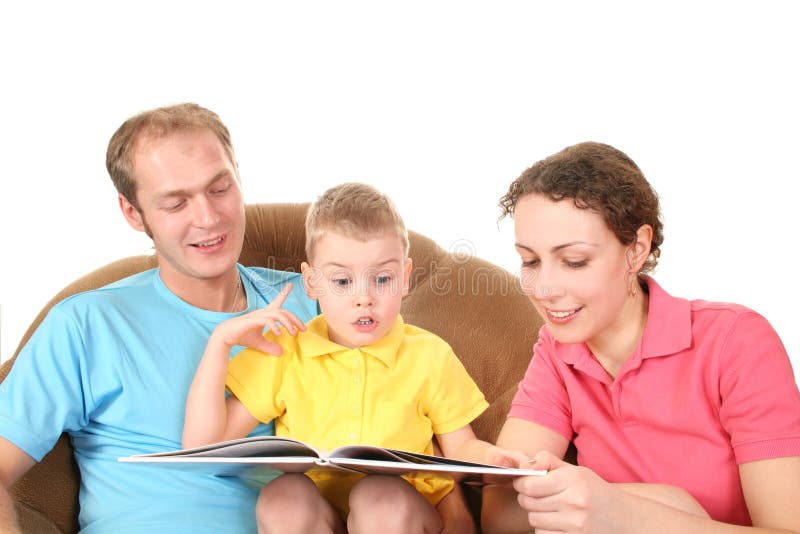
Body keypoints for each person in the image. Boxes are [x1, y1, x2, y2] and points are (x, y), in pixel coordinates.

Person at [480, 141, 800, 533]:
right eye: (530, 261)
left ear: (637, 248)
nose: (543, 289)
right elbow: (500, 517)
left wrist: (624, 511)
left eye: (574, 261)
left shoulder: (736, 341)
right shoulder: (557, 349)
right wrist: (583, 499)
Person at [183, 182, 521, 534]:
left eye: (382, 279)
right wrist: (220, 343)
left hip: (398, 513)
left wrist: (495, 460)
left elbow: (462, 446)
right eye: (343, 281)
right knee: (281, 494)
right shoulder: (285, 349)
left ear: (405, 278)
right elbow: (204, 447)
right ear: (311, 282)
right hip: (318, 512)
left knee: (379, 495)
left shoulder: (429, 355)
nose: (364, 298)